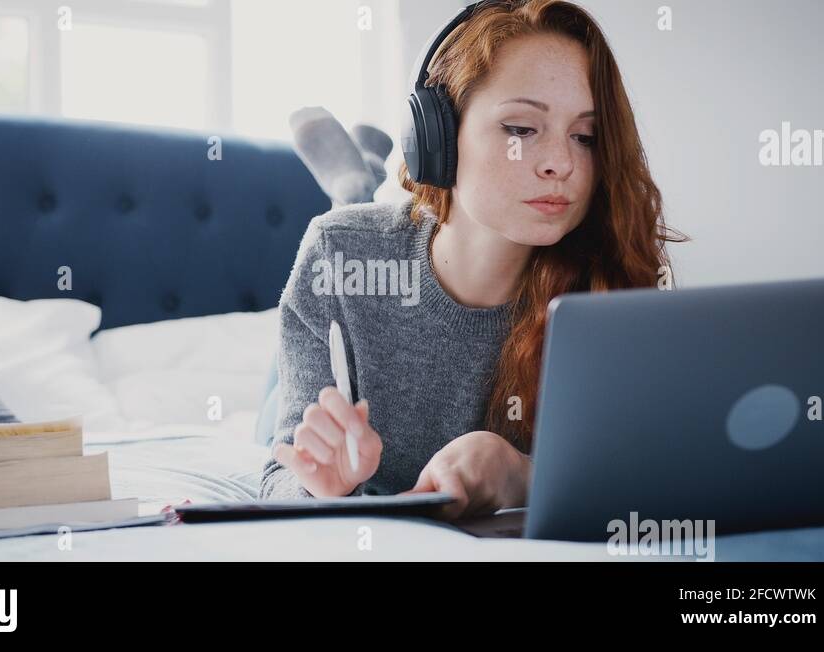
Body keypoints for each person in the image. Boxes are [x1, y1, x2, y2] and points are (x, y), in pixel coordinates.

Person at [260, 0, 687, 521]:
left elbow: (649, 469)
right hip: (352, 269)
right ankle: (353, 189)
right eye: (522, 130)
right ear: (435, 139)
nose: (561, 163)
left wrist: (521, 475)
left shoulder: (609, 281)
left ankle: (359, 178)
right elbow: (280, 473)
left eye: (586, 137)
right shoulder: (339, 254)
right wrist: (325, 490)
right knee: (276, 397)